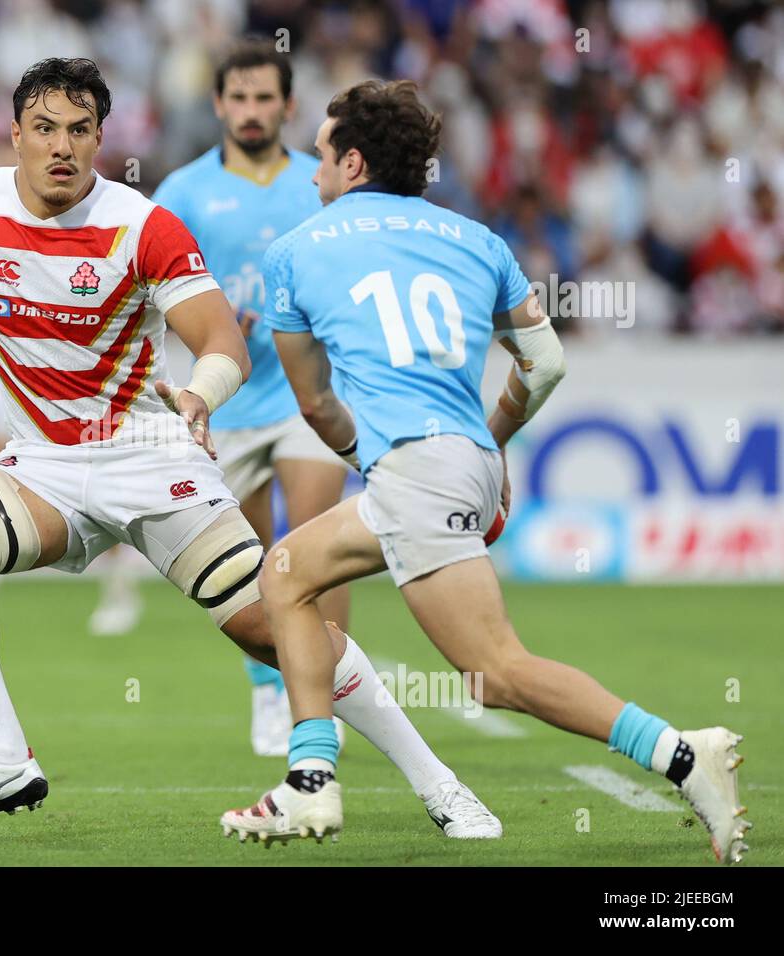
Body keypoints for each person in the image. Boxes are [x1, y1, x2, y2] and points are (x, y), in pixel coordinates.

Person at [0, 59, 499, 838]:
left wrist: (201, 391)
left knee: (273, 625)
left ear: (101, 137)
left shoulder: (140, 224)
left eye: (79, 130)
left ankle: (440, 785)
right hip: (46, 467)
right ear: (15, 135)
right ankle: (3, 759)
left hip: (150, 457)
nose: (61, 147)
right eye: (44, 129)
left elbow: (221, 337)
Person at [222, 80, 749, 864]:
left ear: (354, 163)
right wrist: (492, 440)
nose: (312, 172)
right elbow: (545, 364)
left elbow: (317, 405)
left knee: (496, 672)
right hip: (464, 459)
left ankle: (681, 752)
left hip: (415, 470)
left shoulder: (298, 250)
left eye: (323, 155)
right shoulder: (478, 240)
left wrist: (376, 459)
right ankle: (310, 775)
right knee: (290, 571)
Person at [145, 41, 350, 757]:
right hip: (222, 402)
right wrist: (212, 324)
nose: (253, 110)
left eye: (266, 98)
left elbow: (350, 273)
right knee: (254, 559)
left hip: (308, 393)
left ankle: (320, 700)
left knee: (323, 539)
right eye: (240, 97)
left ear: (289, 105)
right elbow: (148, 289)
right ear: (219, 104)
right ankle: (269, 690)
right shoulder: (182, 192)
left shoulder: (320, 183)